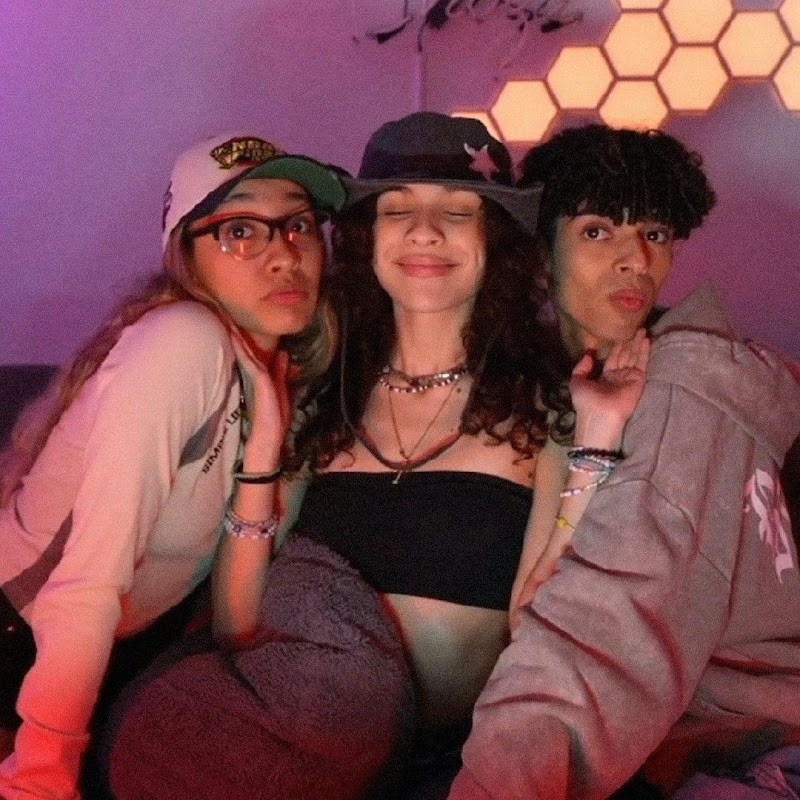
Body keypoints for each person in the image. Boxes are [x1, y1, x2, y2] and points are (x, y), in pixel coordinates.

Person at [447, 124, 800, 800]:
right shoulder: (560, 386)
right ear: (542, 251)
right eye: (599, 231)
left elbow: (600, 630)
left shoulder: (680, 395)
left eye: (655, 234)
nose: (636, 258)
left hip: (741, 753)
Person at [0, 132, 346, 800]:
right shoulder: (181, 344)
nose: (284, 254)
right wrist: (41, 773)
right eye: (240, 230)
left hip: (113, 660)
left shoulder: (288, 384)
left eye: (298, 224)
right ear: (186, 256)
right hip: (24, 640)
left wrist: (262, 457)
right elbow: (86, 581)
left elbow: (235, 623)